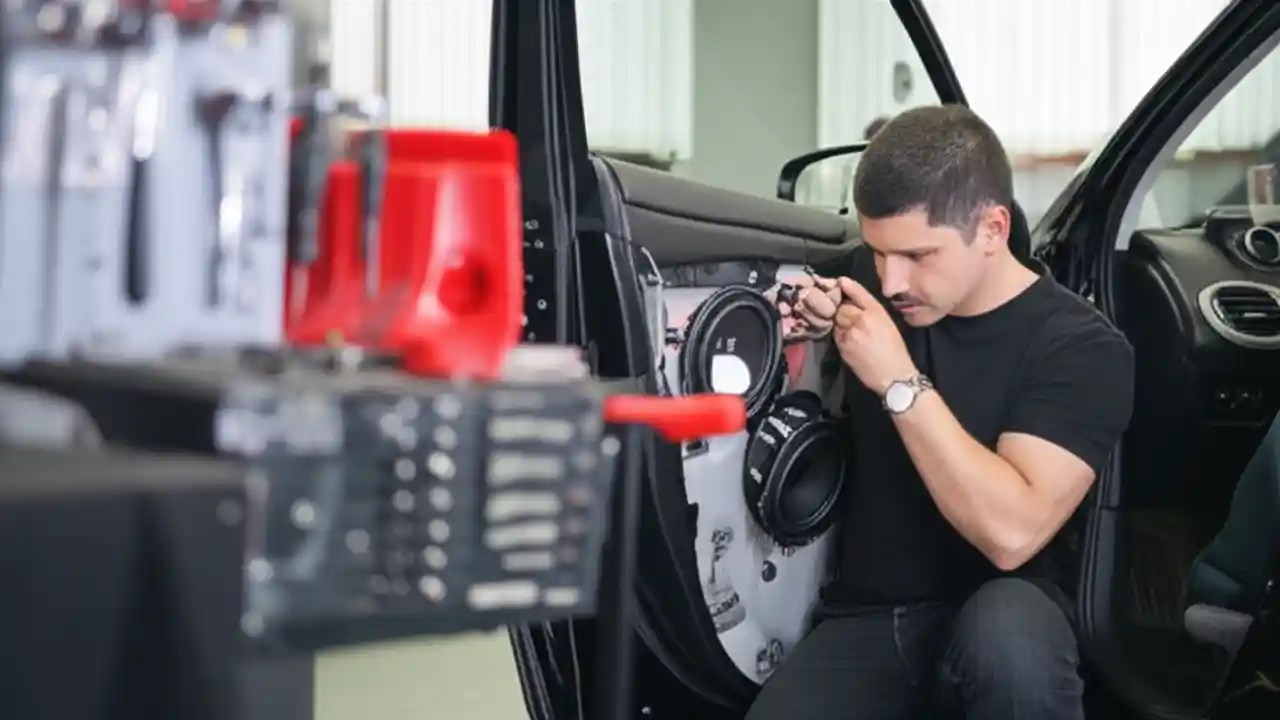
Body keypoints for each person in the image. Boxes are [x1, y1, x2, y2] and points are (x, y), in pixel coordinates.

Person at [750, 104, 1135, 719]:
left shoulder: (1083, 348)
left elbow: (1012, 534)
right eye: (877, 253)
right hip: (875, 614)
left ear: (992, 229)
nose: (891, 280)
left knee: (1010, 640)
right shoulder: (875, 284)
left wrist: (898, 381)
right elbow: (807, 294)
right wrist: (806, 311)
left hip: (1006, 610)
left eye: (917, 256)